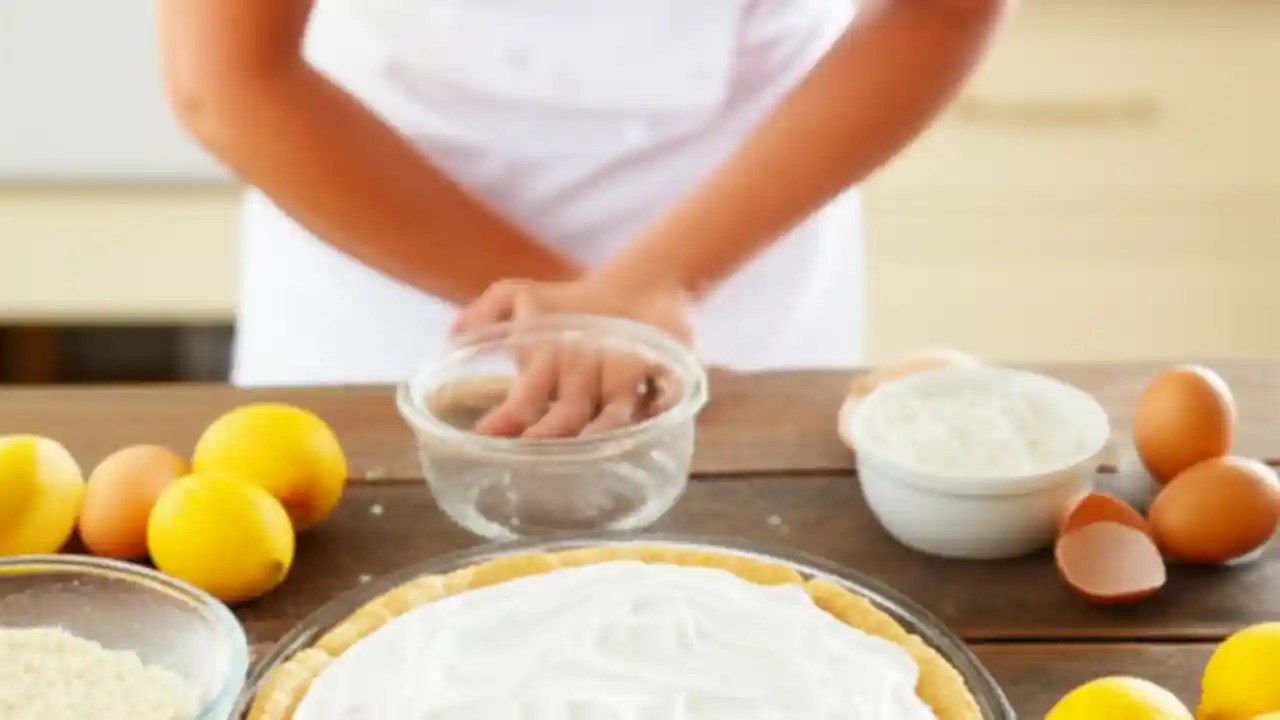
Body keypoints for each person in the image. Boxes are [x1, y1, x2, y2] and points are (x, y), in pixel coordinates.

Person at [160, 0, 1007, 436]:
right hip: (385, 288)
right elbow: (230, 78)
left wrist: (658, 282)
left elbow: (939, 10)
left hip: (738, 267)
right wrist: (591, 311)